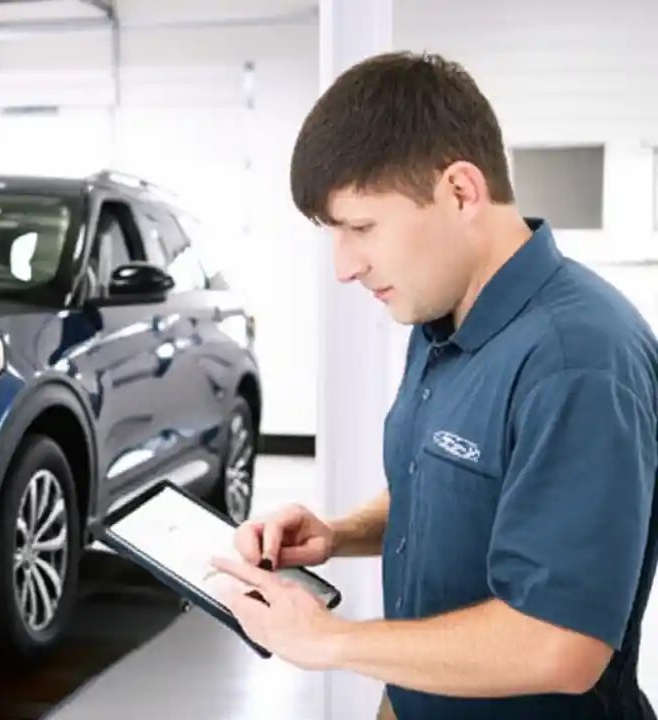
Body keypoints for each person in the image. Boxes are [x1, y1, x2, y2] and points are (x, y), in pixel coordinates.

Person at [208, 50, 658, 719]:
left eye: (360, 227)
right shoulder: (441, 316)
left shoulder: (578, 360)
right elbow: (454, 480)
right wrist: (339, 533)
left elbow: (561, 646)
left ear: (460, 191)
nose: (344, 265)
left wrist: (332, 642)